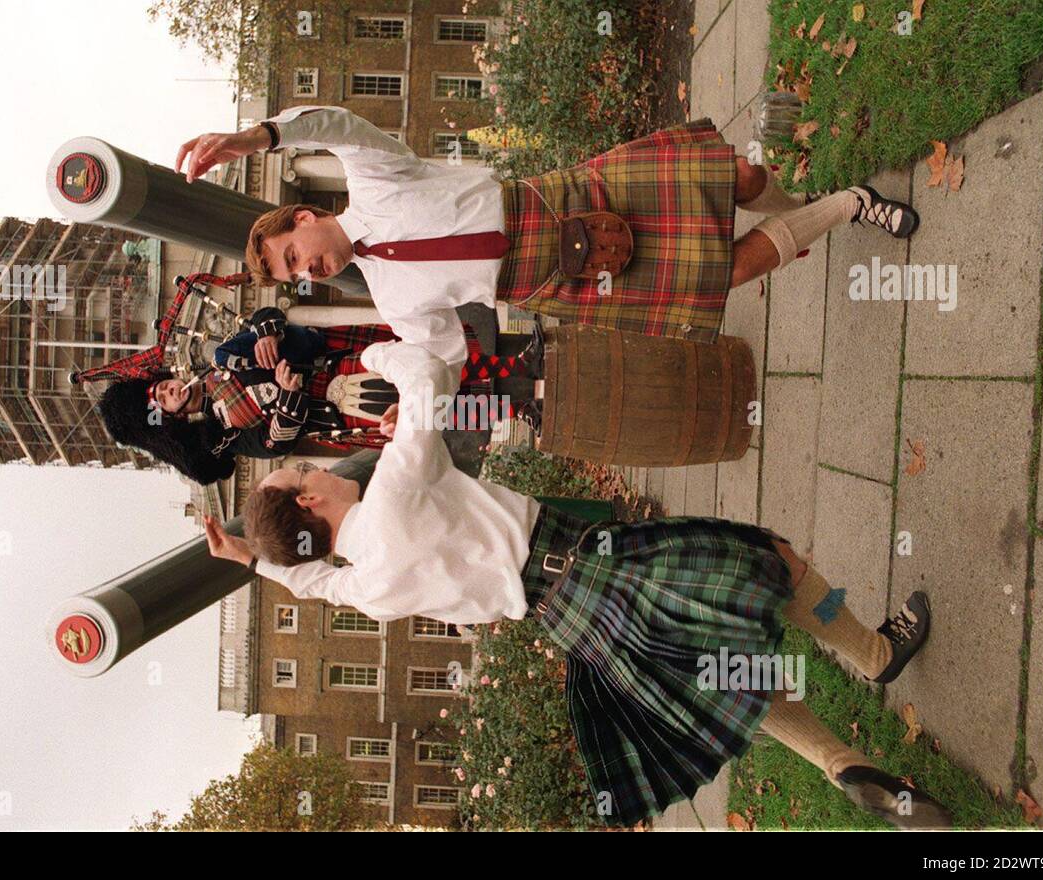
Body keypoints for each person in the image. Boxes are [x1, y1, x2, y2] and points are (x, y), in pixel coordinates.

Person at [202, 338, 949, 829]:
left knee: (722, 676)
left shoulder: (364, 585)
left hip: (569, 624)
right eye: (304, 470)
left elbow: (313, 586)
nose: (321, 467)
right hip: (594, 563)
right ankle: (875, 653)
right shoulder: (393, 488)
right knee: (771, 561)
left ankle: (841, 764)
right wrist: (372, 355)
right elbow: (427, 373)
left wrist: (255, 560)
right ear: (307, 502)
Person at [176, 106, 918, 370]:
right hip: (563, 282)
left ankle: (805, 199)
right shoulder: (389, 298)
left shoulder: (375, 178)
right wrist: (385, 362)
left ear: (302, 220)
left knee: (740, 181)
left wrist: (255, 138)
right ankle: (850, 204)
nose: (309, 269)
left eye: (296, 256)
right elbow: (444, 351)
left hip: (567, 202)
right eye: (298, 277)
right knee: (720, 276)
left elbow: (333, 122)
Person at [96, 307, 544, 483]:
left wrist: (269, 334)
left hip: (336, 365)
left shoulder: (220, 363)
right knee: (430, 409)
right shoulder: (224, 432)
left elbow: (268, 319)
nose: (169, 391)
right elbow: (275, 443)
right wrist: (288, 396)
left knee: (431, 366)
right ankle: (519, 409)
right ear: (169, 419)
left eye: (160, 386)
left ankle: (519, 365)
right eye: (162, 401)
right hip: (342, 413)